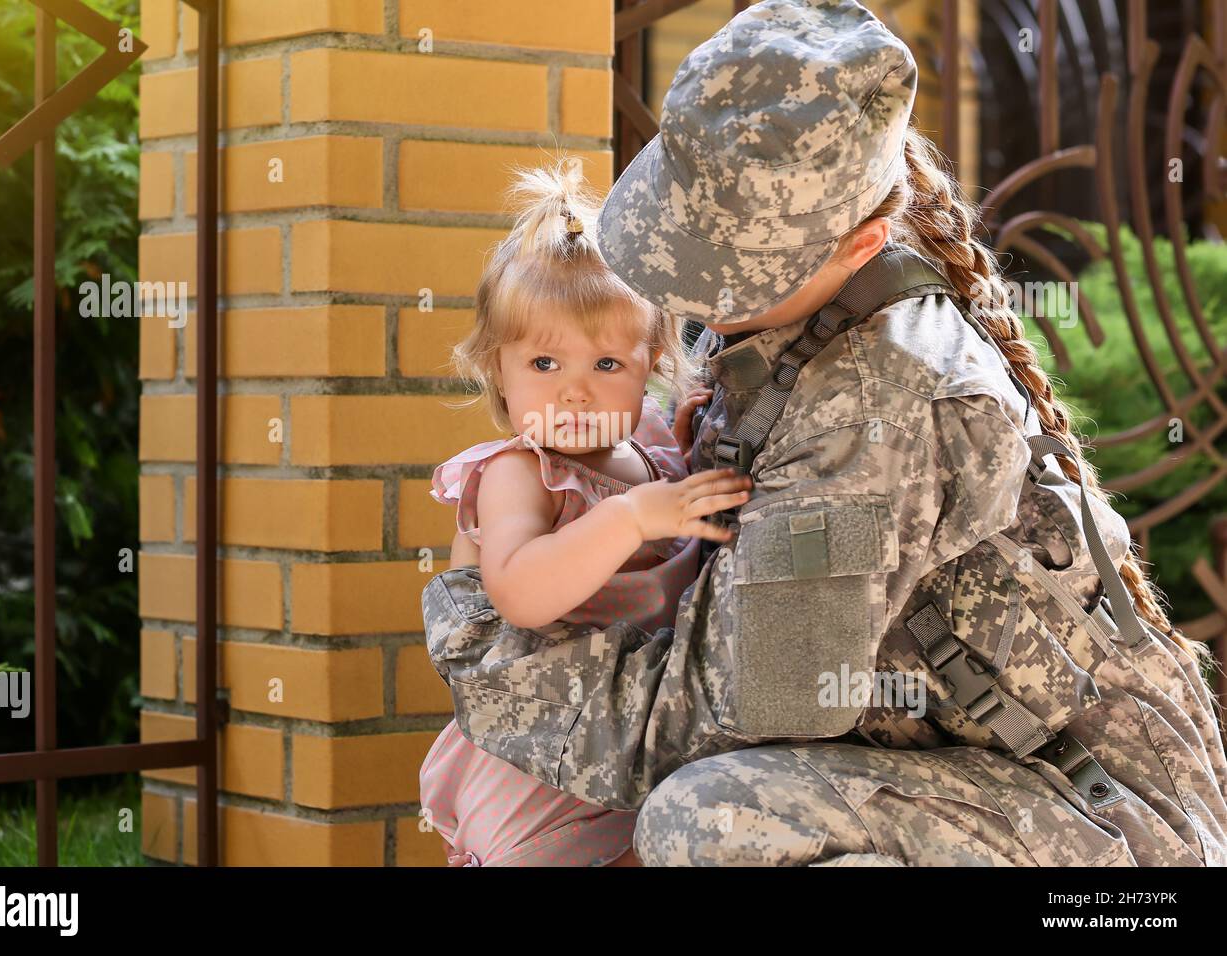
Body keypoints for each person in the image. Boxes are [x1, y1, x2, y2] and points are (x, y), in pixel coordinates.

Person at [422, 0, 1227, 866]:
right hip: (954, 767)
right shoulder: (786, 325)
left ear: (863, 242)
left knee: (713, 819)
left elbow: (717, 717)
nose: (692, 299)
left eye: (728, 272)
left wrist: (478, 640)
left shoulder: (876, 409)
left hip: (1098, 835)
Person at [417, 162, 751, 866]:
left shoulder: (652, 450)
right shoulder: (519, 474)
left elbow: (671, 522)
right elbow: (520, 591)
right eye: (544, 364)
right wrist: (630, 519)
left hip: (628, 728)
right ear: (495, 367)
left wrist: (688, 456)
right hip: (540, 751)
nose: (575, 394)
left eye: (606, 367)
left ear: (651, 363)